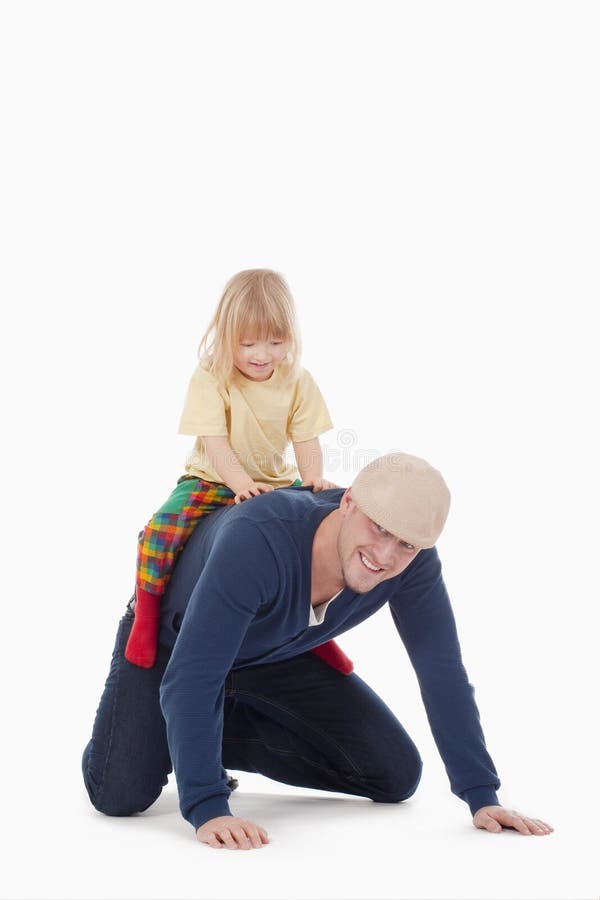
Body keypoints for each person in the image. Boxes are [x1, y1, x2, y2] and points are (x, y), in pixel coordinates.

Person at [82, 452, 553, 849]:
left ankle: (198, 732)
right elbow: (191, 677)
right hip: (176, 646)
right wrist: (208, 806)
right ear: (348, 501)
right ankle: (186, 737)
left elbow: (442, 672)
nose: (386, 556)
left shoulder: (413, 565)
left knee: (394, 774)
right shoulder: (259, 536)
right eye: (380, 528)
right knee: (118, 791)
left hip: (270, 653)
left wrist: (481, 794)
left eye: (407, 544)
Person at [125, 268, 350, 675]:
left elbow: (306, 439)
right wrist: (241, 484)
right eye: (247, 343)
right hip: (213, 477)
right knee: (162, 528)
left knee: (314, 539)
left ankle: (315, 630)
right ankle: (145, 614)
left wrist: (313, 478)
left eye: (275, 342)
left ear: (290, 339)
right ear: (227, 337)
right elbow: (215, 441)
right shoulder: (211, 375)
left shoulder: (298, 381)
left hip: (274, 481)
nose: (261, 354)